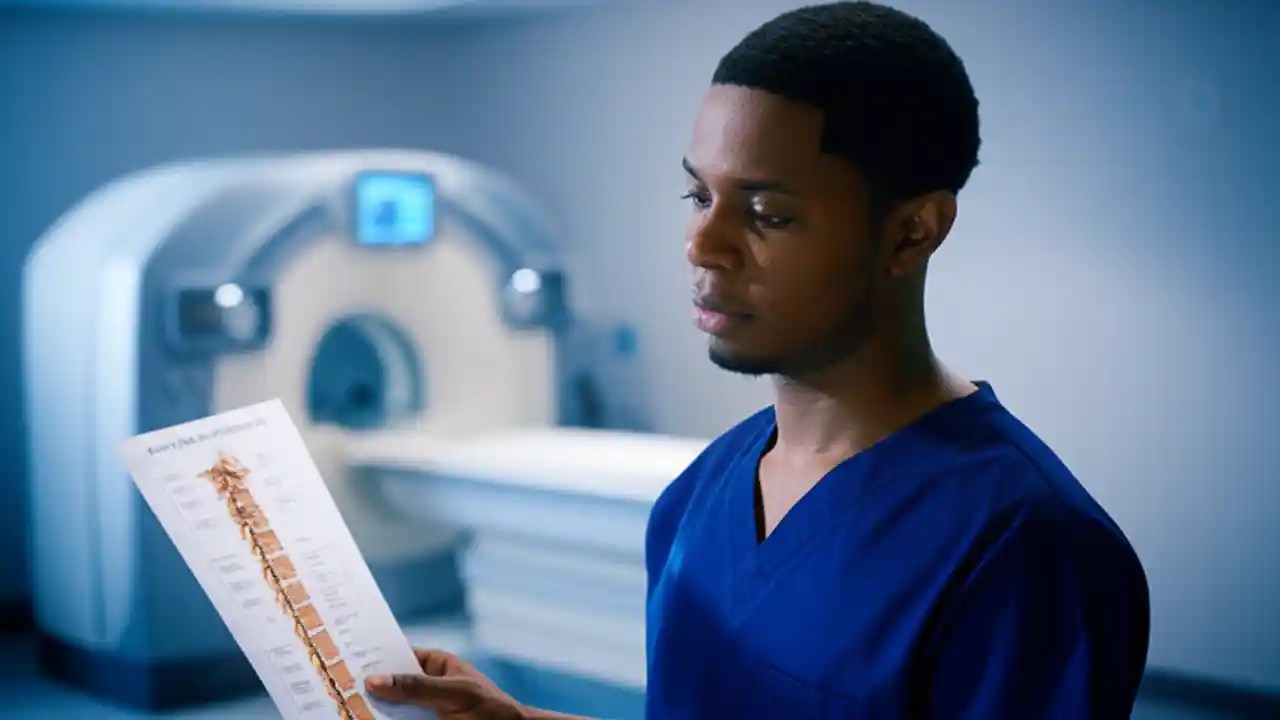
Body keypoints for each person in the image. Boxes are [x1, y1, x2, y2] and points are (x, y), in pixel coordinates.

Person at [365, 1, 1151, 717]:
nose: (702, 244)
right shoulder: (699, 496)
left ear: (913, 231)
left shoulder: (1026, 550)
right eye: (697, 197)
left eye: (767, 213)